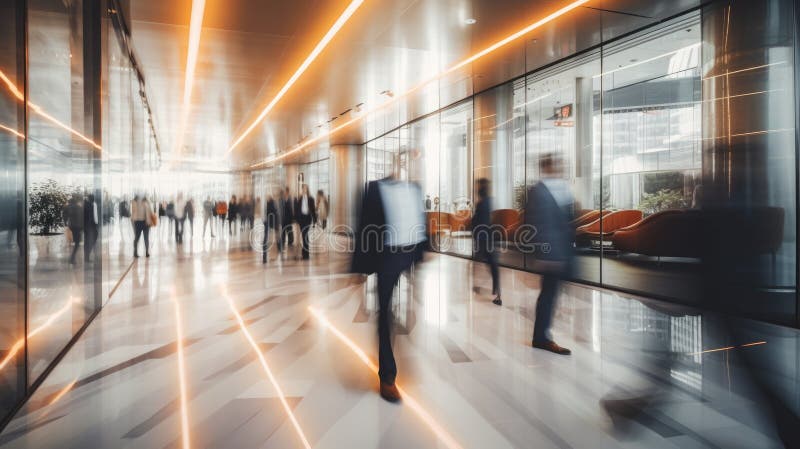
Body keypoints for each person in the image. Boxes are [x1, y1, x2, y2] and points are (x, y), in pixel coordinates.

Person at [352, 153, 426, 403]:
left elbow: (420, 221)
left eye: (410, 160)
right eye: (401, 160)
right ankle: (387, 376)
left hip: (409, 254)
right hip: (386, 257)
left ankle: (400, 347)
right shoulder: (375, 189)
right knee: (385, 313)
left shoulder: (415, 188)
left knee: (405, 315)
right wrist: (359, 268)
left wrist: (423, 253)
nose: (405, 165)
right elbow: (365, 228)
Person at [524, 153, 573, 355]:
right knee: (548, 295)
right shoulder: (539, 192)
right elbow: (536, 226)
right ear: (547, 167)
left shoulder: (559, 188)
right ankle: (541, 338)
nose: (561, 167)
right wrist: (545, 254)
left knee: (550, 294)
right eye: (557, 164)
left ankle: (542, 335)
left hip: (560, 253)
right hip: (551, 255)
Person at [472, 178, 502, 306]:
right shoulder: (489, 201)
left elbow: (477, 221)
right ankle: (497, 292)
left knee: (484, 264)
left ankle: (479, 287)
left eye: (478, 186)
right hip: (488, 237)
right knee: (492, 265)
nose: (477, 188)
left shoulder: (482, 203)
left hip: (482, 238)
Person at [64, 194, 84, 264]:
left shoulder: (68, 207)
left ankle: (72, 257)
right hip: (78, 226)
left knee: (74, 242)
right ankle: (72, 258)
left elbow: (64, 215)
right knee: (77, 243)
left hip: (71, 226)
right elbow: (81, 218)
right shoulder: (79, 207)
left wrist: (65, 223)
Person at [262, 195, 278, 263]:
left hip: (270, 224)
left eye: (268, 197)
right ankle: (265, 256)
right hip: (267, 223)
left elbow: (273, 214)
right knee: (266, 240)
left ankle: (269, 256)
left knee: (269, 240)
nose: (267, 198)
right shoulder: (268, 204)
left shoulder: (271, 204)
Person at [280, 188, 295, 258]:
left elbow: (292, 209)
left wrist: (292, 218)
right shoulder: (282, 200)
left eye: (286, 192)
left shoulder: (290, 199)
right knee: (283, 231)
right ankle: (282, 242)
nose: (285, 193)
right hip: (283, 219)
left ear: (288, 192)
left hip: (289, 218)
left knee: (289, 230)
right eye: (284, 192)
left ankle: (290, 242)